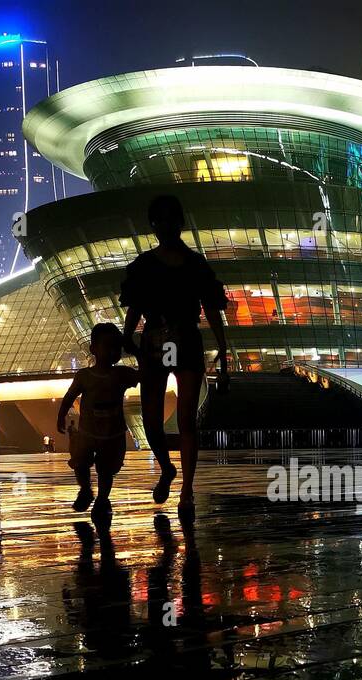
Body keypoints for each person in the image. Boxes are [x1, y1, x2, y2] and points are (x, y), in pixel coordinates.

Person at [120, 194, 229, 515]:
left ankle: (186, 491)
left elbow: (211, 307)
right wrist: (127, 337)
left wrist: (223, 347)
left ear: (179, 222)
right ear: (154, 225)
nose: (165, 225)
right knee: (152, 422)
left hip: (183, 340)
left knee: (186, 421)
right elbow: (135, 306)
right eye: (160, 220)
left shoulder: (195, 265)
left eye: (170, 219)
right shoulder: (145, 265)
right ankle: (167, 468)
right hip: (155, 341)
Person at [58, 322, 139, 516]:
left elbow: (144, 376)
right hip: (88, 433)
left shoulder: (121, 374)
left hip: (112, 434)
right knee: (80, 461)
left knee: (106, 470)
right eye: (107, 346)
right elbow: (69, 397)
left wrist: (137, 351)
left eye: (116, 347)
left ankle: (102, 498)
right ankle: (86, 489)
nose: (112, 351)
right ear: (93, 348)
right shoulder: (85, 376)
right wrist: (61, 415)